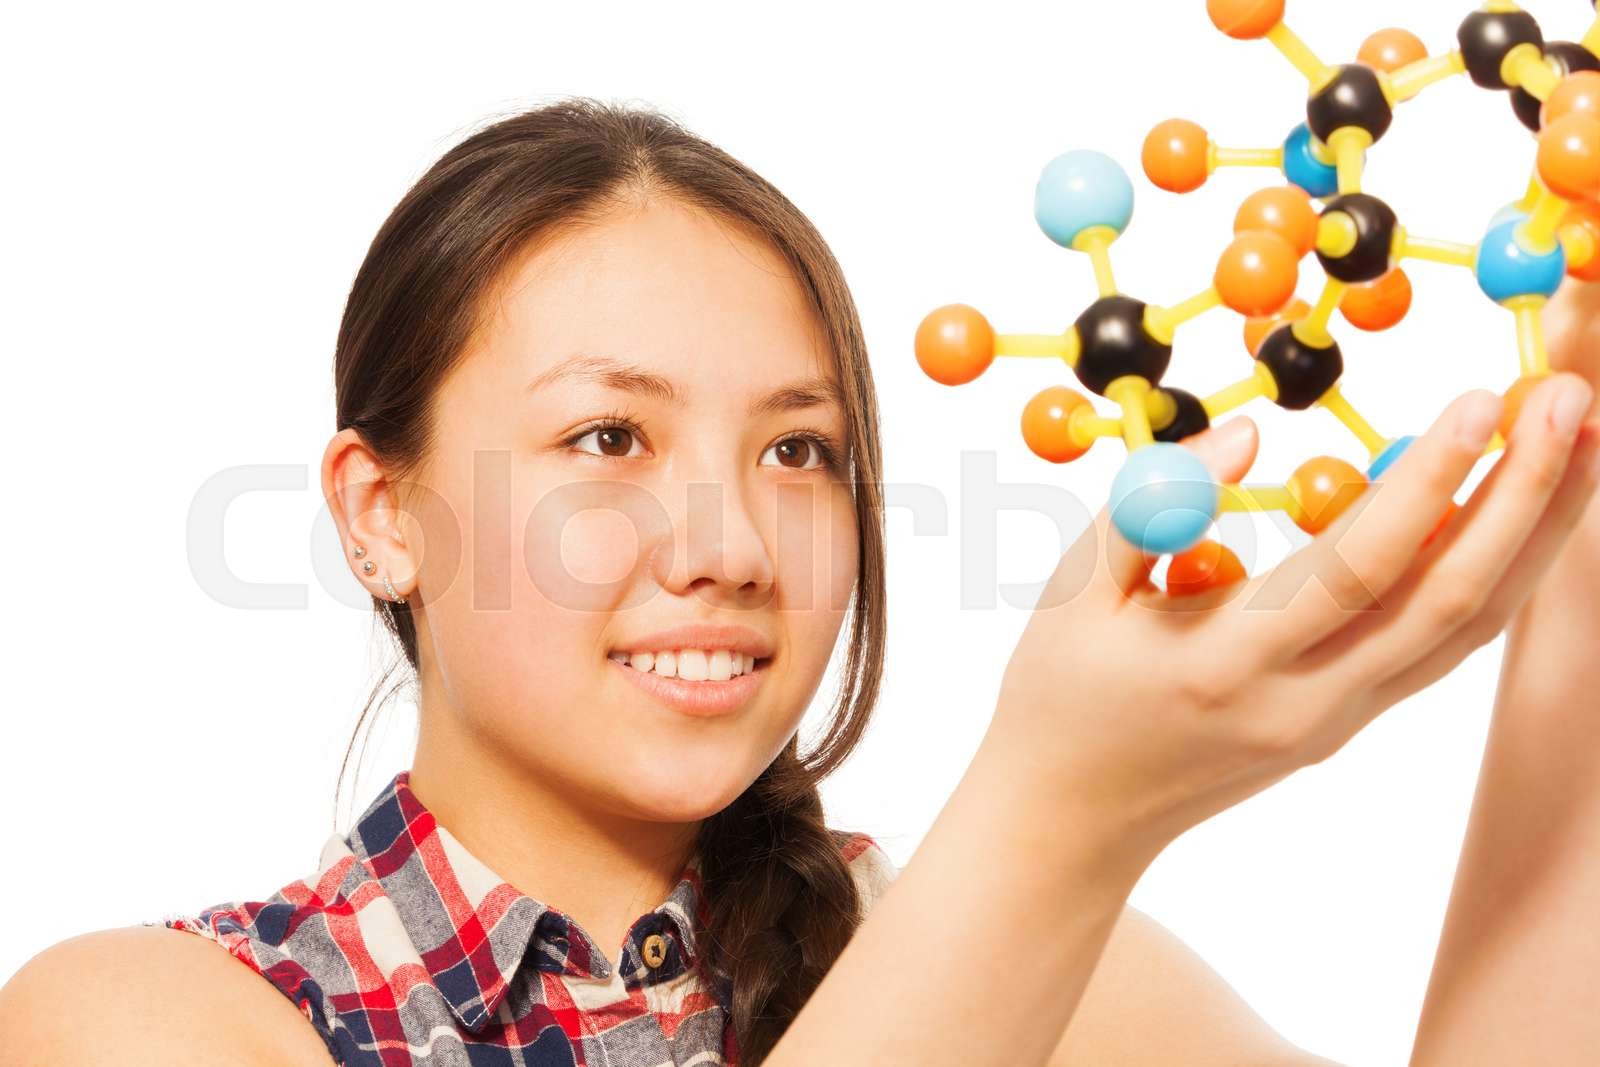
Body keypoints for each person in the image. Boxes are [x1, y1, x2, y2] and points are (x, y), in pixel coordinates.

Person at [2, 97, 1597, 1066]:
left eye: (798, 453)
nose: (729, 550)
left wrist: (1579, 571)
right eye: (609, 435)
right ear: (380, 514)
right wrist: (1059, 814)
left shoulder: (984, 943)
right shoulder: (147, 1021)